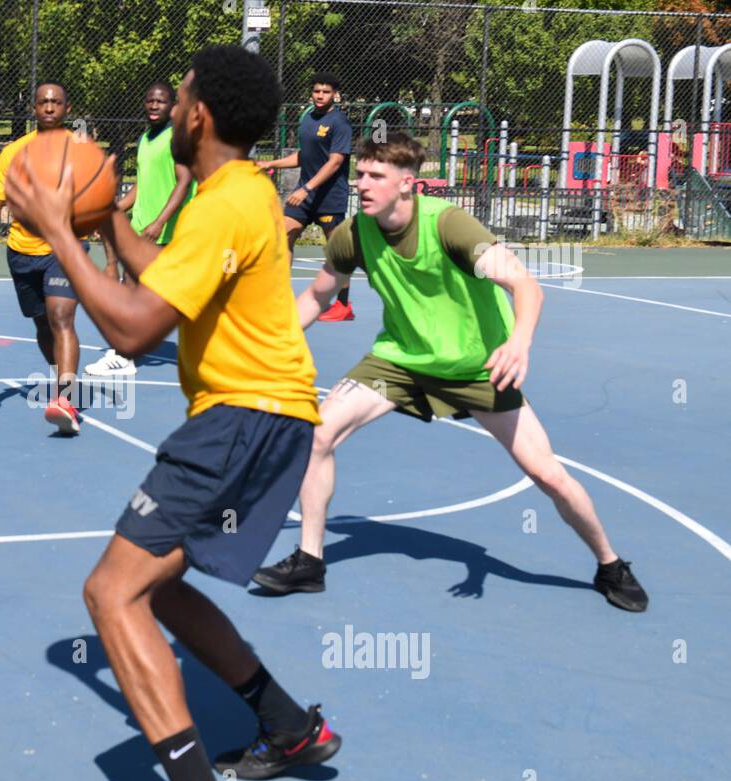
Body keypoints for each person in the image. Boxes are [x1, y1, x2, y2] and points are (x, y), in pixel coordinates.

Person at [5, 45, 341, 781]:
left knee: (110, 591)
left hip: (240, 418)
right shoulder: (240, 192)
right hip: (271, 416)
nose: (176, 103)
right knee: (157, 587)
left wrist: (59, 228)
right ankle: (289, 726)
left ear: (200, 114)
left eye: (183, 94)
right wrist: (104, 222)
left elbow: (132, 328)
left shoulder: (225, 203)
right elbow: (164, 275)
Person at [252, 133, 650, 615]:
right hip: (400, 361)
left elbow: (524, 284)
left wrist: (518, 342)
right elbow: (317, 297)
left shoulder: (450, 225)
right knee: (317, 434)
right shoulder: (354, 234)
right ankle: (309, 562)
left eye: (376, 176)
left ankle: (609, 564)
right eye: (360, 174)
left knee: (546, 474)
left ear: (408, 184)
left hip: (476, 365)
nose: (362, 184)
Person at [0, 81, 87, 435]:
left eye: (56, 102)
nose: (49, 107)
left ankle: (65, 398)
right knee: (42, 324)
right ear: (34, 108)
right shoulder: (13, 152)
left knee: (61, 317)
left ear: (66, 108)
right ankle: (60, 378)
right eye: (43, 102)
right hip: (21, 251)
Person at [85, 80, 195, 379]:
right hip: (144, 229)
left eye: (160, 101)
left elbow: (184, 182)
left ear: (173, 106)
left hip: (169, 230)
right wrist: (115, 210)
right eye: (150, 101)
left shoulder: (177, 138)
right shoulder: (146, 138)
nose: (154, 105)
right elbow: (143, 185)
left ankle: (124, 354)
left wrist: (159, 221)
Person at [257, 72, 355, 321]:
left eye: (325, 92)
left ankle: (343, 306)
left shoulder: (339, 123)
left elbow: (335, 162)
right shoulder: (308, 120)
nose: (320, 95)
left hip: (329, 197)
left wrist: (306, 188)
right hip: (306, 195)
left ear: (335, 95)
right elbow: (304, 156)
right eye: (316, 91)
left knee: (337, 251)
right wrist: (270, 164)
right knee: (283, 235)